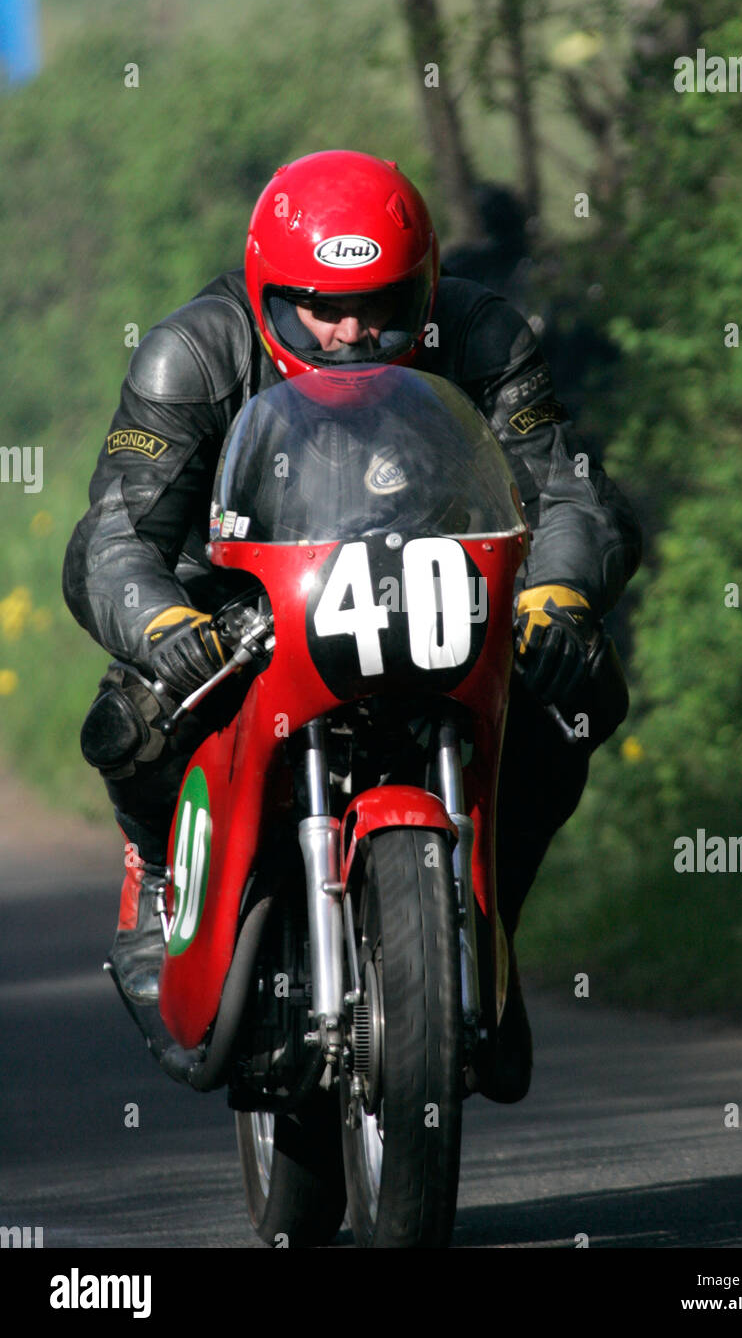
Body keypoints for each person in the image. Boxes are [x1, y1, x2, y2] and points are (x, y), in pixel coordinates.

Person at [63, 149, 641, 1102]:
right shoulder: (195, 352)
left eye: (379, 305)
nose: (349, 331)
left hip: (441, 594)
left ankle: (489, 929)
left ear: (424, 286)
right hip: (240, 607)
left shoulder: (485, 335)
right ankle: (161, 874)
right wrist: (162, 620)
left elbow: (569, 488)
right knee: (132, 722)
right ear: (267, 293)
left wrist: (558, 595)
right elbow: (115, 530)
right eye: (321, 306)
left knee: (578, 690)